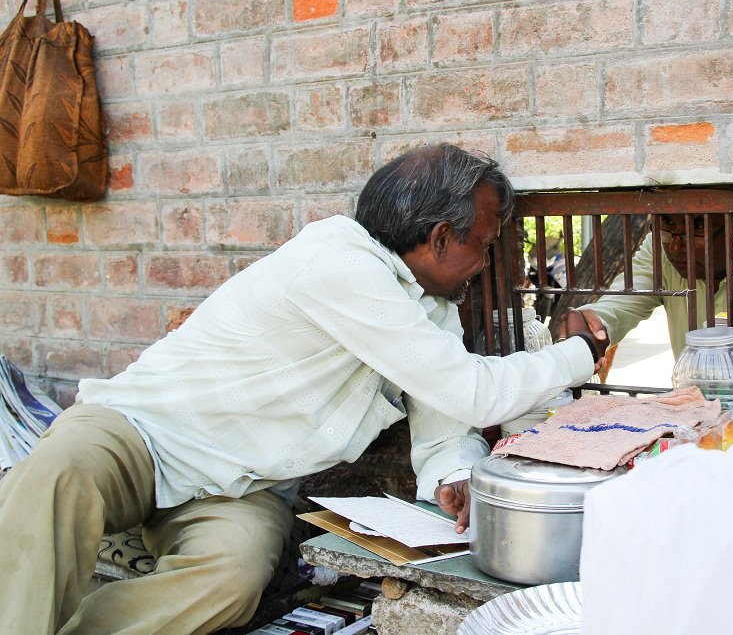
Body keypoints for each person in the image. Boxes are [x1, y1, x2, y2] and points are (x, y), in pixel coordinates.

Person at [0, 144, 608, 635]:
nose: (486, 260)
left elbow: (447, 427)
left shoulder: (432, 313)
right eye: (484, 243)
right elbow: (476, 393)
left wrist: (452, 476)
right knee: (56, 473)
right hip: (144, 433)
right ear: (442, 237)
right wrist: (580, 354)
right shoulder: (338, 262)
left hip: (246, 487)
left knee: (231, 582)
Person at [570, 213, 733, 362]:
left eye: (698, 226)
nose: (675, 247)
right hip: (693, 398)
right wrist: (595, 324)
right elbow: (623, 300)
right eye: (667, 223)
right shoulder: (658, 246)